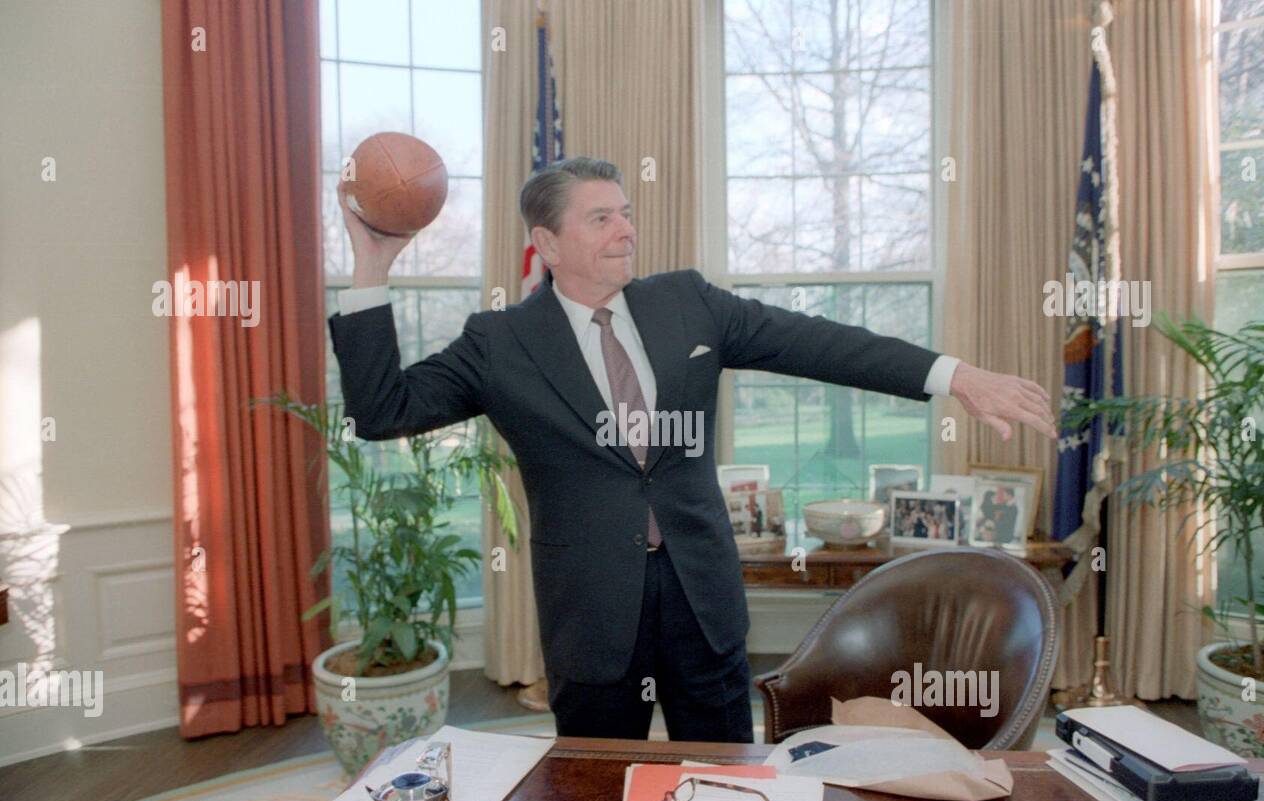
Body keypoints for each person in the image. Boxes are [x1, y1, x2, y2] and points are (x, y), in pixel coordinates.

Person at [327, 157, 1057, 743]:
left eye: (627, 213)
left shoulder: (688, 303)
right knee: (594, 792)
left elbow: (818, 343)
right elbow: (383, 410)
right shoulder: (501, 344)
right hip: (590, 612)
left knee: (726, 779)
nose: (625, 231)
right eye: (601, 217)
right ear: (546, 244)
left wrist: (954, 376)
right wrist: (372, 268)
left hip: (701, 597)